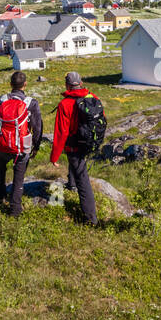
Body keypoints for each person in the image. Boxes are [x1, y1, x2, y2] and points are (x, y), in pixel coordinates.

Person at [0, 71, 42, 216]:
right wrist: (36, 147)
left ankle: (0, 196)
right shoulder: (30, 103)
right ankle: (15, 210)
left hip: (3, 145)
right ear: (25, 84)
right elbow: (37, 127)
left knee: (1, 168)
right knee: (18, 177)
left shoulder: (1, 100)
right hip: (21, 146)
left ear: (10, 84)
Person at [50, 71, 104, 226]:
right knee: (76, 165)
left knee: (83, 181)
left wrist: (54, 157)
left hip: (73, 146)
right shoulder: (92, 98)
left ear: (67, 85)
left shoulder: (65, 104)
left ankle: (91, 219)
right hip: (88, 142)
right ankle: (71, 183)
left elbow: (61, 132)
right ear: (80, 82)